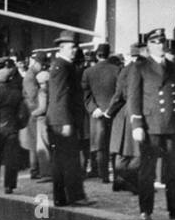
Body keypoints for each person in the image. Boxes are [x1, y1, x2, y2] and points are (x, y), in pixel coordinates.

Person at [127, 28, 175, 220]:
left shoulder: (173, 67)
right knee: (147, 170)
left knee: (173, 170)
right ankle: (146, 209)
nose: (160, 45)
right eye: (156, 42)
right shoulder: (140, 67)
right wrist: (137, 124)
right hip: (150, 125)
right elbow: (134, 97)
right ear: (149, 46)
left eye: (162, 41)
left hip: (171, 124)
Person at [46, 31, 95, 208]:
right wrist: (66, 122)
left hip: (60, 120)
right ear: (62, 47)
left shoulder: (62, 65)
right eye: (72, 47)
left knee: (61, 161)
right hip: (62, 121)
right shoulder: (62, 67)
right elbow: (60, 97)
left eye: (76, 47)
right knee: (70, 160)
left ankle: (61, 198)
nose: (75, 50)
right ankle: (75, 196)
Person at [0, 61, 31, 193]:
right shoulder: (17, 94)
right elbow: (24, 113)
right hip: (12, 129)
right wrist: (19, 125)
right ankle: (9, 185)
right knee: (11, 159)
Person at [106, 41, 143, 194]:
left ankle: (120, 180)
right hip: (134, 112)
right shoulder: (143, 69)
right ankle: (131, 182)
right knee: (135, 150)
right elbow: (120, 94)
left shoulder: (126, 69)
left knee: (122, 149)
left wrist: (109, 112)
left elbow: (118, 94)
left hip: (123, 112)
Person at [82, 42, 120, 184]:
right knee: (114, 145)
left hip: (97, 114)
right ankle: (116, 175)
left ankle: (104, 175)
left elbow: (86, 94)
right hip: (114, 113)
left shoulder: (88, 72)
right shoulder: (117, 70)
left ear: (97, 55)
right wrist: (111, 109)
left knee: (100, 146)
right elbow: (119, 93)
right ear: (109, 54)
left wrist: (94, 109)